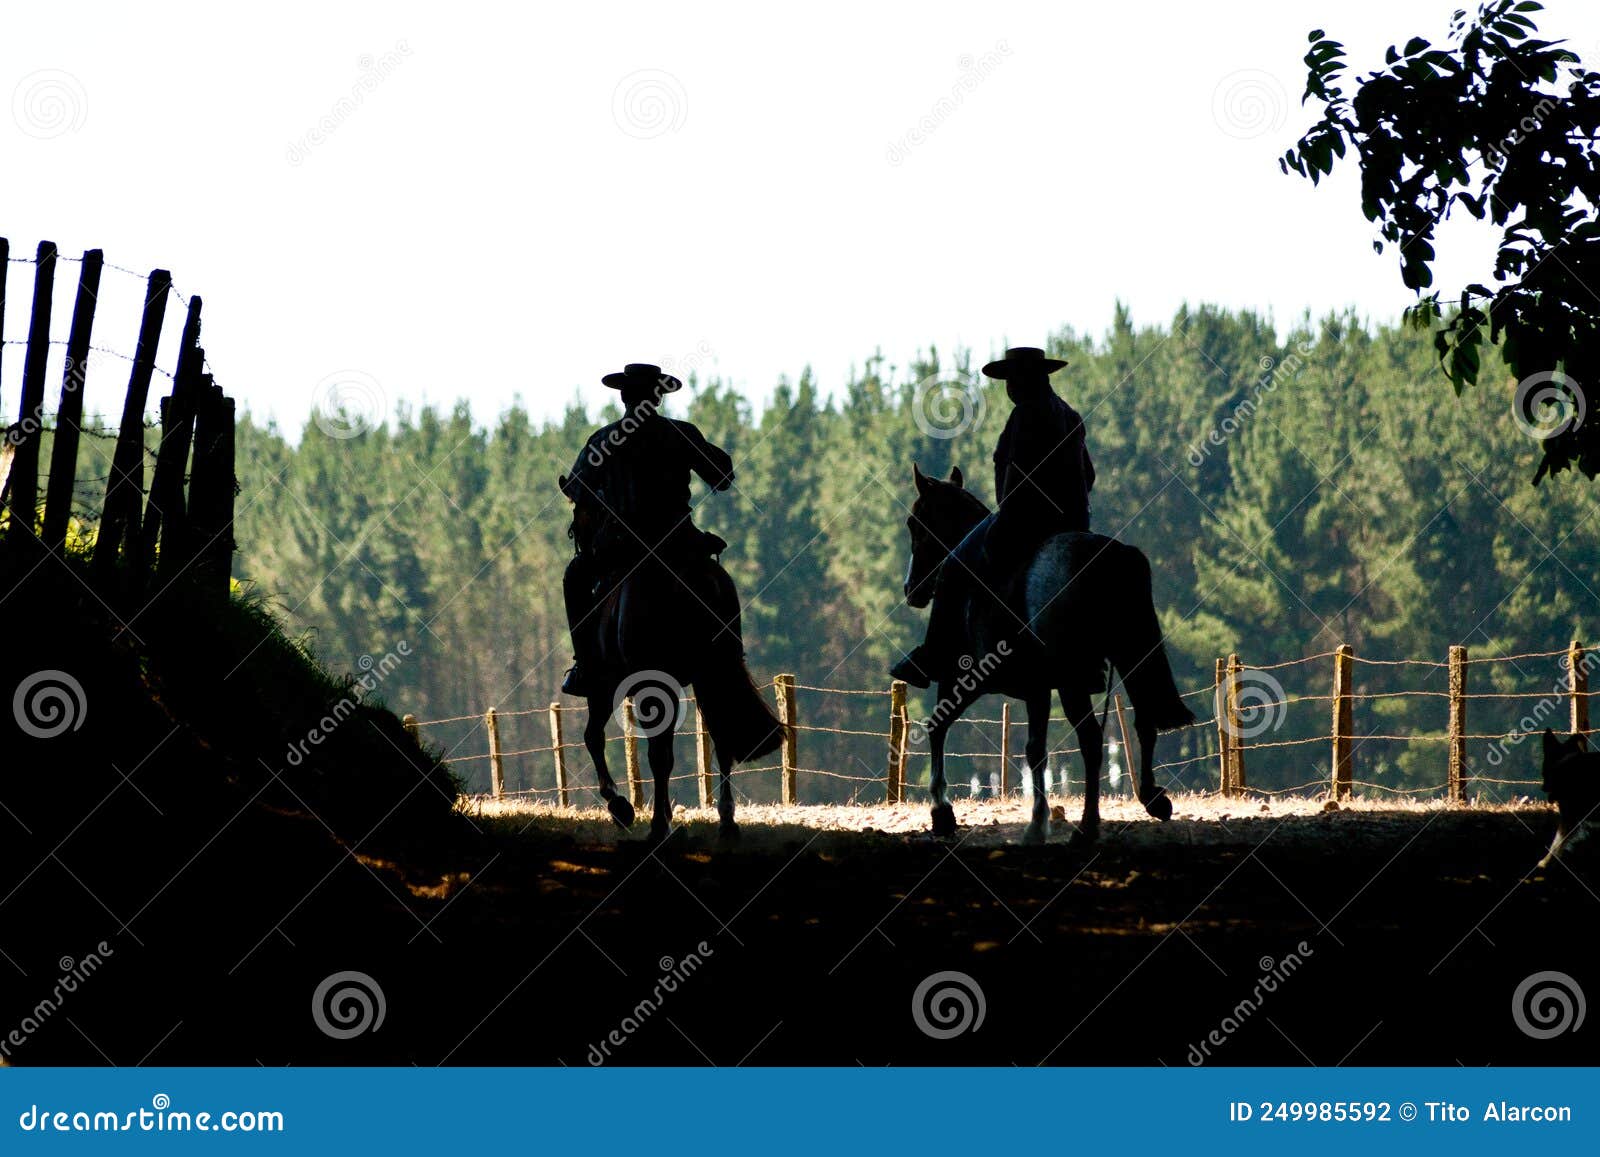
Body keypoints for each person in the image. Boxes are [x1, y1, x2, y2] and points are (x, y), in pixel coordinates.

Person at [891, 346, 1095, 689]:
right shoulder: (1070, 415)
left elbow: (1014, 474)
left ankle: (931, 656)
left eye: (1011, 380)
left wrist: (1011, 511)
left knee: (954, 567)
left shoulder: (1025, 414)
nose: (1009, 388)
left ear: (1025, 378)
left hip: (1027, 522)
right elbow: (1088, 476)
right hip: (1076, 524)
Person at [558, 363, 734, 697]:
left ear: (624, 396)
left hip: (620, 549)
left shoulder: (603, 440)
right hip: (678, 543)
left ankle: (586, 666)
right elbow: (722, 477)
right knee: (719, 584)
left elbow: (576, 491)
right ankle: (730, 658)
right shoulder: (681, 433)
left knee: (575, 576)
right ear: (658, 398)